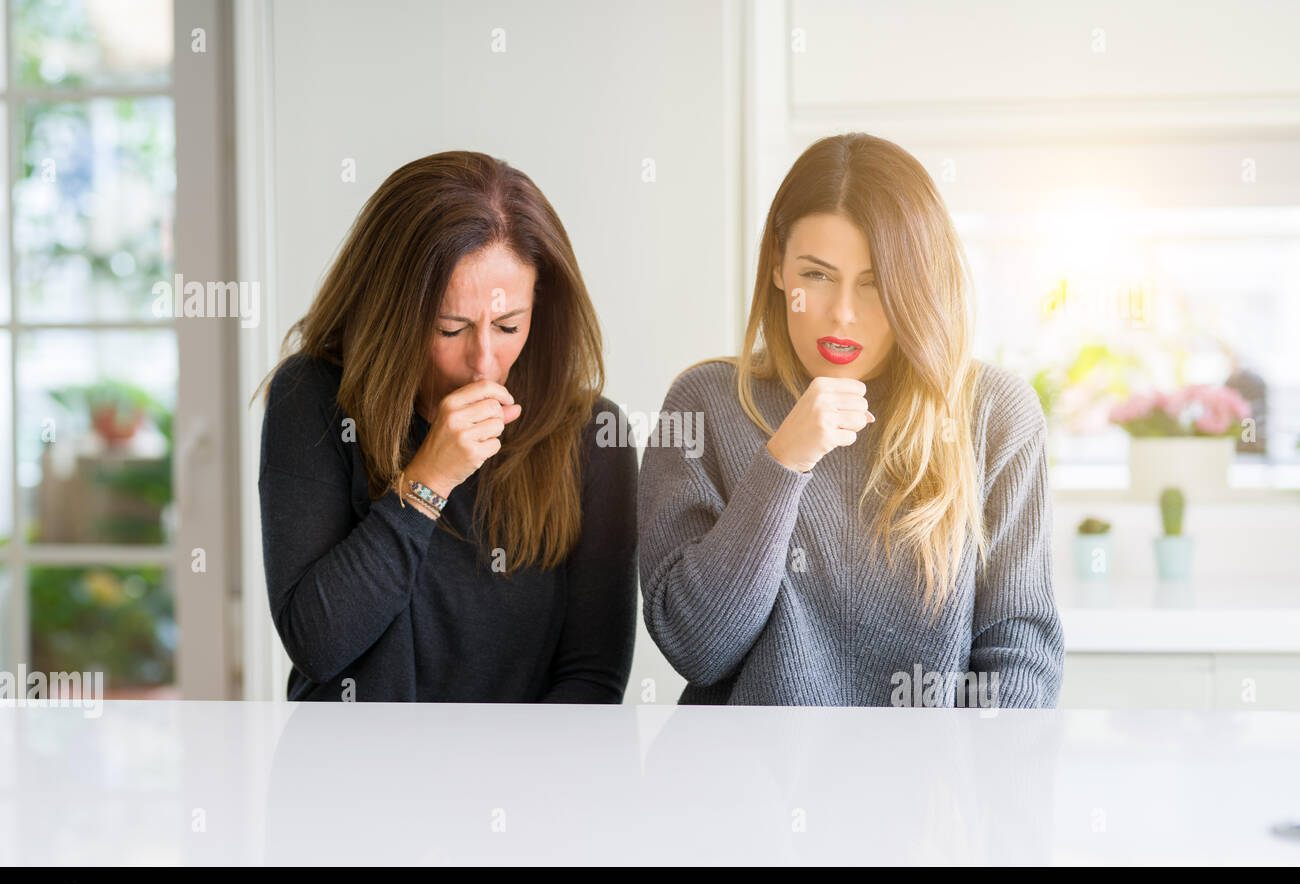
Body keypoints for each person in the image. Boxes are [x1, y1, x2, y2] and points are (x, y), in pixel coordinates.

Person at [637, 132, 1064, 707]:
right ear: (778, 267)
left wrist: (958, 784)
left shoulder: (996, 413)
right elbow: (696, 648)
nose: (842, 314)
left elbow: (1019, 652)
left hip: (929, 790)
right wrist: (783, 463)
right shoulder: (704, 403)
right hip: (737, 790)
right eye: (816, 275)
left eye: (875, 284)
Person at [253, 150, 637, 702]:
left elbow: (592, 679)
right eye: (450, 328)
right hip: (352, 777)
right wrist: (427, 481)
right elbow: (318, 644)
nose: (483, 362)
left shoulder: (594, 435)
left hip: (523, 780)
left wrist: (519, 786)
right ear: (393, 312)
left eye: (508, 325)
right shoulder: (313, 398)